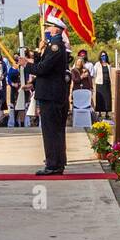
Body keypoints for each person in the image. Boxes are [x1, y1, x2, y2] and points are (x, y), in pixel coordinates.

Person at [19, 14, 70, 175]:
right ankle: (57, 162)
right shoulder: (53, 46)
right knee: (56, 130)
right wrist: (39, 52)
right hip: (53, 94)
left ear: (56, 29)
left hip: (51, 95)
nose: (46, 30)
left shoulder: (55, 47)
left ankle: (53, 165)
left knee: (51, 131)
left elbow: (43, 69)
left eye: (48, 27)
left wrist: (26, 64)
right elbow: (45, 65)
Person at [92, 51, 113, 118]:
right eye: (102, 56)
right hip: (100, 83)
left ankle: (107, 113)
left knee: (107, 98)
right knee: (100, 98)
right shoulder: (97, 64)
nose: (103, 57)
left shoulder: (108, 65)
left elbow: (110, 74)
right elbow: (94, 73)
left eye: (104, 55)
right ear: (100, 57)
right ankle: (99, 113)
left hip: (107, 84)